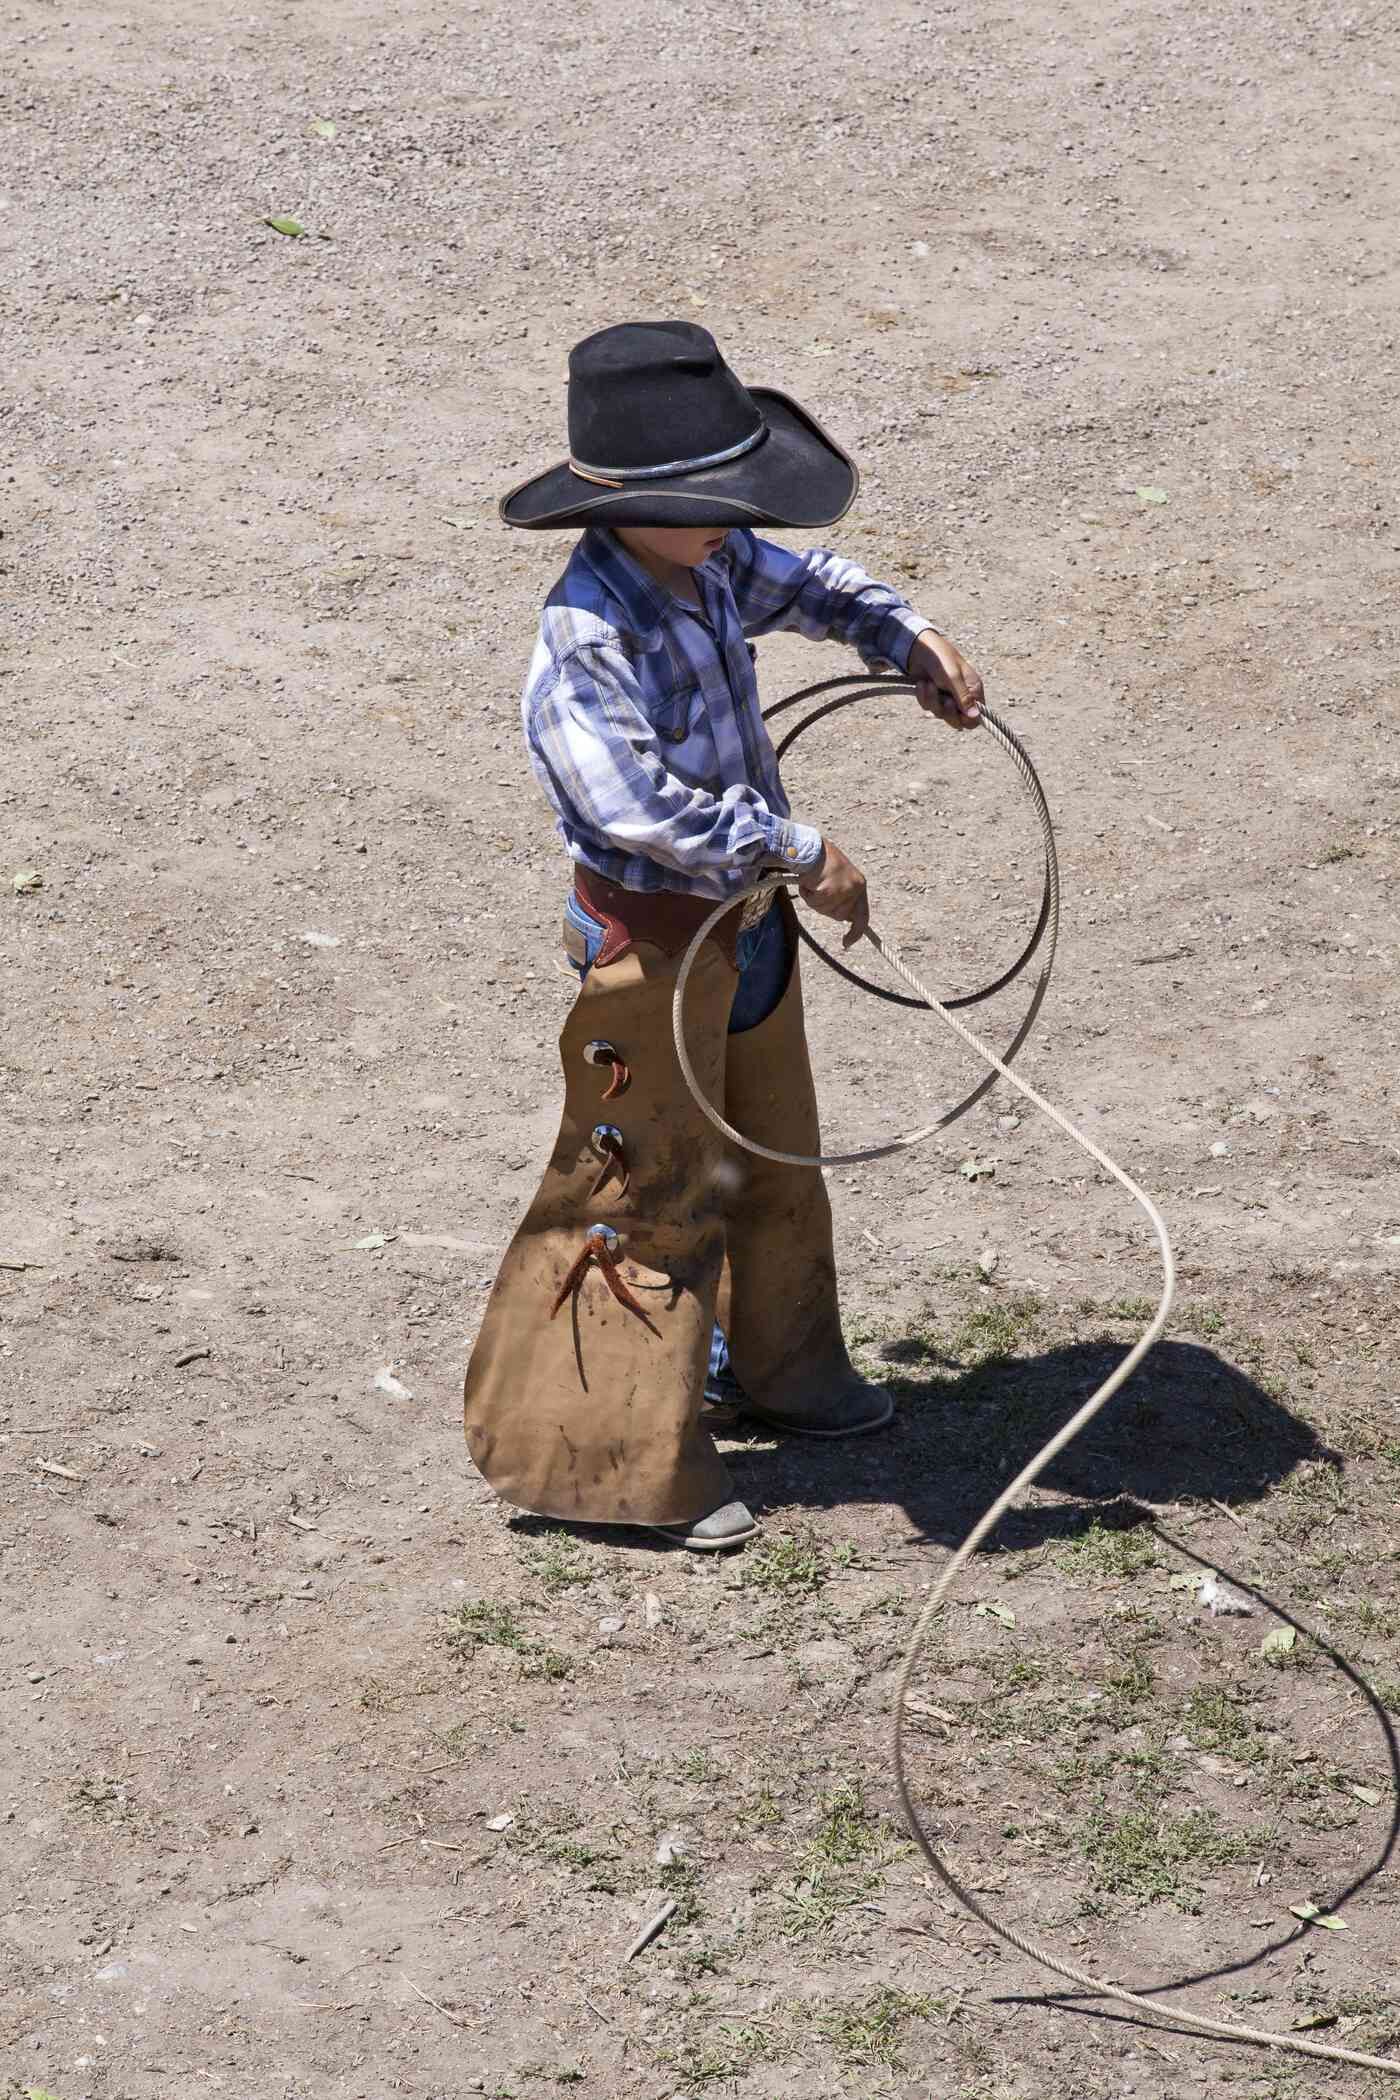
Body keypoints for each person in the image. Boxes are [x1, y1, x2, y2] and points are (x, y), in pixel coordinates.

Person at [463, 321, 984, 1551]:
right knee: (643, 1193)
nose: (736, 524)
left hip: (737, 938)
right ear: (629, 508)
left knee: (767, 1154)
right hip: (648, 952)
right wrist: (800, 853)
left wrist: (901, 636)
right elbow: (633, 808)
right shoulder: (582, 640)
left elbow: (805, 585)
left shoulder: (701, 562)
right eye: (715, 503)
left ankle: (785, 1373)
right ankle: (605, 1468)